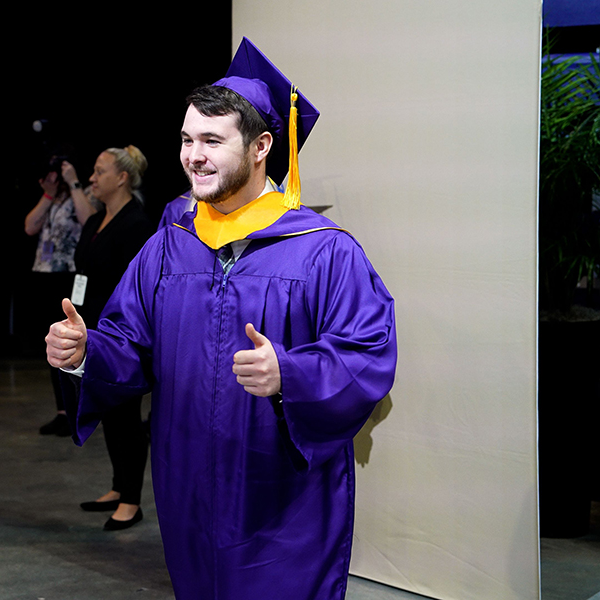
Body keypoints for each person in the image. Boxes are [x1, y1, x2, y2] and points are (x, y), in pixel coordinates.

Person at [46, 38, 397, 599]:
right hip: (189, 483)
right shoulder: (169, 246)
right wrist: (88, 352)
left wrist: (291, 373)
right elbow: (130, 342)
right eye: (187, 140)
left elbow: (367, 352)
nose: (193, 156)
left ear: (261, 147)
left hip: (282, 493)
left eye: (212, 140)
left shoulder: (323, 250)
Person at [70, 146, 154, 530]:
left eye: (99, 171)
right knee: (107, 412)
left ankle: (132, 501)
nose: (92, 178)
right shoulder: (96, 221)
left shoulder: (137, 224)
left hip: (123, 334)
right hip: (94, 332)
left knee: (125, 418)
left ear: (122, 178)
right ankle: (119, 487)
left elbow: (138, 286)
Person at [25, 153, 96, 436]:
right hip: (46, 274)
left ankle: (79, 409)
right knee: (53, 345)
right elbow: (30, 226)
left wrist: (73, 183)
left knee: (72, 344)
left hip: (71, 274)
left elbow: (89, 221)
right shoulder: (52, 198)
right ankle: (62, 411)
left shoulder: (85, 192)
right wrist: (48, 193)